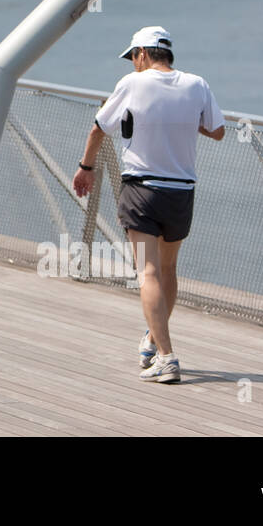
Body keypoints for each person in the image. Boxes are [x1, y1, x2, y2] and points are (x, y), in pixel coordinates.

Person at [71, 25, 224, 384]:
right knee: (168, 270)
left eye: (132, 58)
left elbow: (98, 129)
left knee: (148, 273)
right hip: (181, 191)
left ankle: (167, 357)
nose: (132, 64)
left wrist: (85, 168)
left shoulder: (132, 84)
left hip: (141, 188)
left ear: (142, 53)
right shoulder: (197, 84)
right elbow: (217, 130)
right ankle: (152, 341)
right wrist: (180, 120)